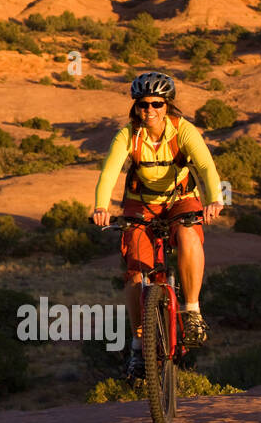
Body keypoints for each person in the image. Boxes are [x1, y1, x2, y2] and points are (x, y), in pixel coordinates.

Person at [90, 71, 225, 380]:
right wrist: (101, 207)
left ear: (168, 106)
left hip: (180, 198)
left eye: (156, 104)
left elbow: (205, 165)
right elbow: (109, 173)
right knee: (136, 274)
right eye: (143, 104)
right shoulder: (127, 135)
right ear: (135, 107)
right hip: (141, 203)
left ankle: (191, 311)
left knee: (189, 235)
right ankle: (139, 346)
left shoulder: (183, 131)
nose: (149, 111)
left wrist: (214, 199)